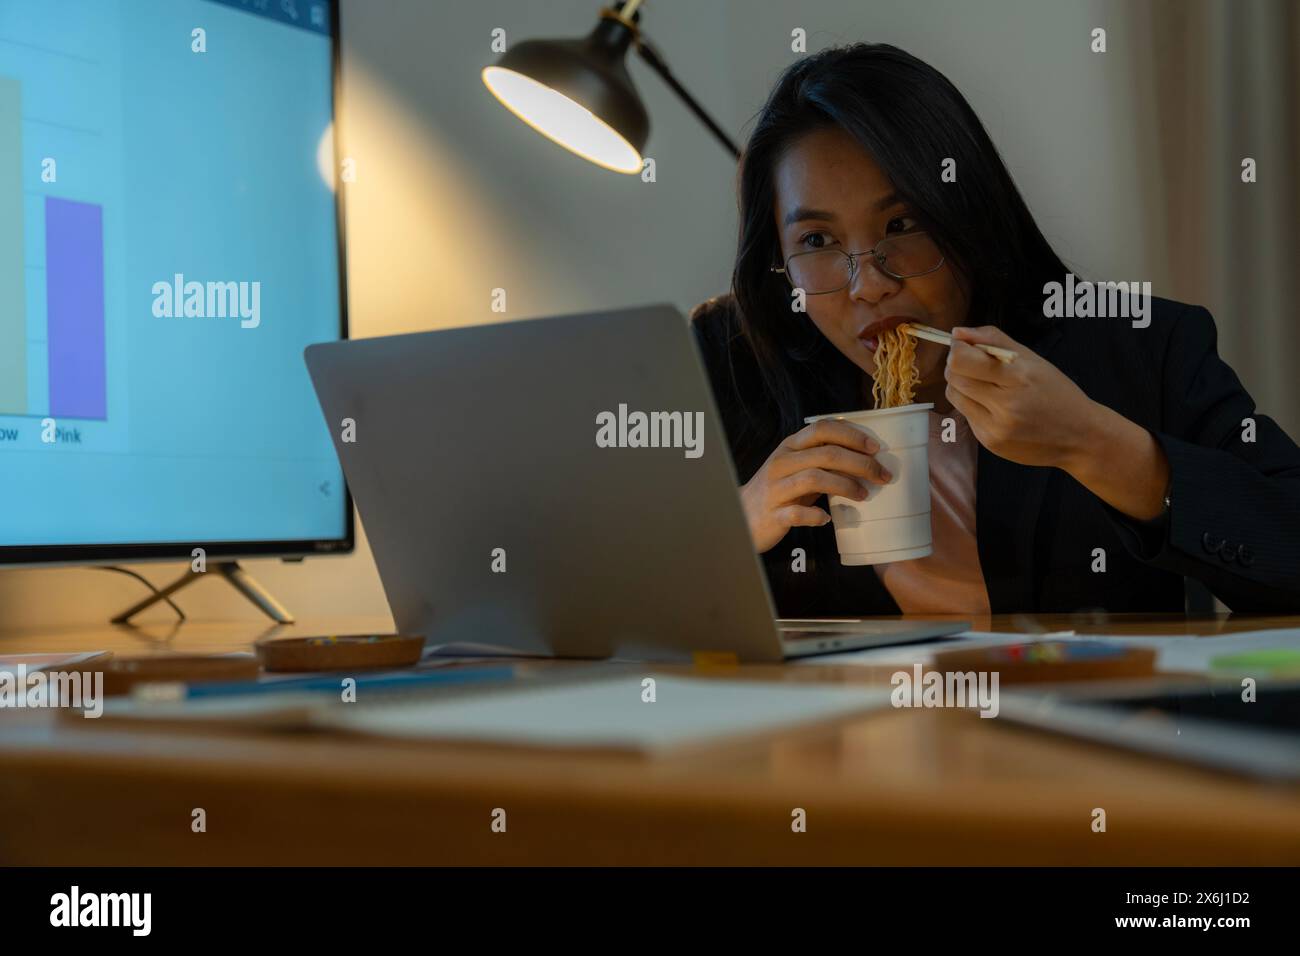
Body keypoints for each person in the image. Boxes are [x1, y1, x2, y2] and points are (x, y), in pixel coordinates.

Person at [691, 43, 1300, 615]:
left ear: (969, 214)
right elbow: (610, 607)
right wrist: (732, 526)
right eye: (817, 241)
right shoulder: (732, 367)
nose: (868, 284)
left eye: (902, 225)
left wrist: (1092, 442)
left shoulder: (1137, 346)